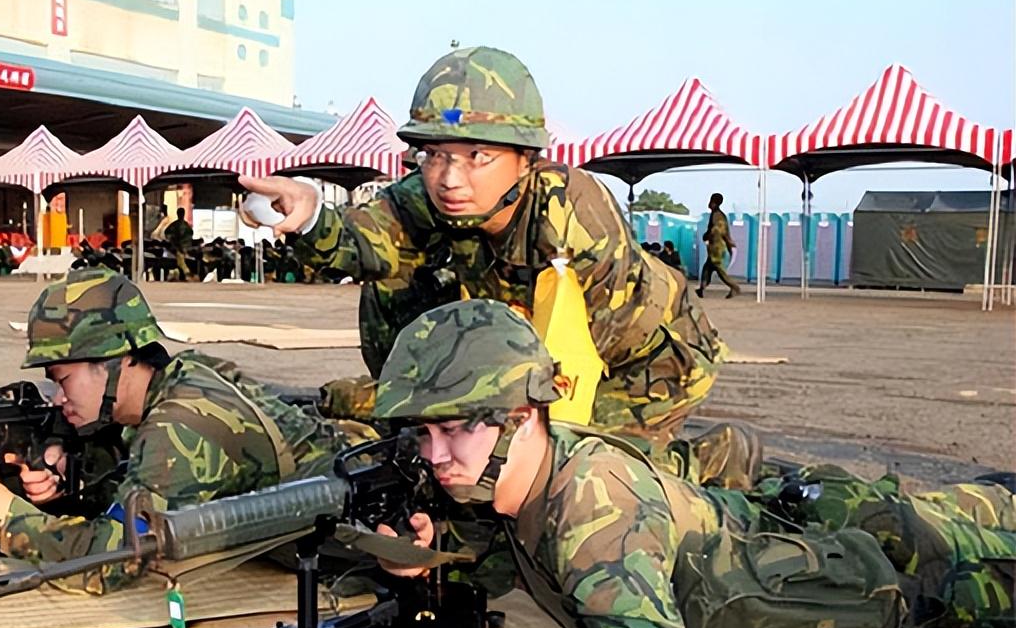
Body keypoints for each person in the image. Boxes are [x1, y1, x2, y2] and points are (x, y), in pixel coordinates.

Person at [311, 299, 1016, 628]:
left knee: (989, 548)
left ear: (523, 418)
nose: (435, 456)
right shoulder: (516, 475)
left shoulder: (596, 502)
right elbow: (521, 558)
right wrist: (431, 555)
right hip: (789, 515)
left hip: (885, 560)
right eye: (422, 434)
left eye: (456, 430)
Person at [237, 46, 722, 445]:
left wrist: (480, 425)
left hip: (639, 366)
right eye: (434, 155)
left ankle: (712, 458)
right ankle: (408, 402)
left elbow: (564, 377)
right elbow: (360, 241)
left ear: (526, 160)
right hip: (524, 340)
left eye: (478, 156)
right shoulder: (427, 197)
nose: (450, 178)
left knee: (582, 474)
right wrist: (310, 214)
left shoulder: (573, 224)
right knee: (394, 275)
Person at [0, 268, 375, 593]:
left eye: (64, 380)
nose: (57, 398)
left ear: (118, 363)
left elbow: (104, 567)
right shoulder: (181, 378)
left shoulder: (178, 426)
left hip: (363, 540)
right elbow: (139, 483)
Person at [698, 193, 741, 298]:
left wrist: (707, 235)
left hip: (717, 248)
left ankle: (735, 287)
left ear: (715, 202)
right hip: (715, 247)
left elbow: (718, 231)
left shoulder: (718, 215)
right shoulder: (715, 214)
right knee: (707, 269)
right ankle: (701, 288)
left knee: (720, 270)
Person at [164, 208, 194, 280]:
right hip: (178, 247)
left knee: (180, 256)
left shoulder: (183, 225)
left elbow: (190, 236)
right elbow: (167, 234)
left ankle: (185, 271)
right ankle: (186, 271)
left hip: (183, 248)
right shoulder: (181, 225)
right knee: (180, 256)